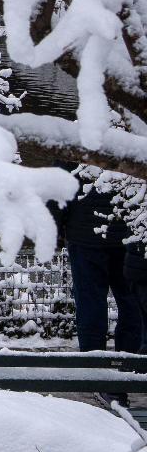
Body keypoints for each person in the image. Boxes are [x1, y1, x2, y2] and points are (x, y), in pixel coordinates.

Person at [62, 171, 143, 404]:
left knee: (90, 304)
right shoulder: (135, 137)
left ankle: (95, 372)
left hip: (84, 232)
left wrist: (59, 226)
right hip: (129, 231)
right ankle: (126, 369)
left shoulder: (76, 136)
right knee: (131, 303)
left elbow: (62, 183)